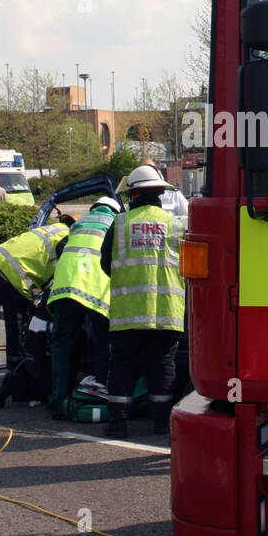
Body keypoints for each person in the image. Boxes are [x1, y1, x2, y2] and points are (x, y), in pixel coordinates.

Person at [100, 164, 186, 437]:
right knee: (162, 367)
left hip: (128, 314)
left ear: (133, 194)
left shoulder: (121, 223)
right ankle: (160, 423)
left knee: (123, 367)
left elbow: (105, 263)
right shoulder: (176, 225)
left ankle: (118, 424)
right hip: (166, 313)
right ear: (160, 193)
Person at [0, 218, 73, 378]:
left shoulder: (51, 230)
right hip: (13, 275)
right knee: (17, 323)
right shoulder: (66, 238)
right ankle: (16, 368)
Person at [47, 191, 121, 416]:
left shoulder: (79, 223)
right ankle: (98, 392)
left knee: (61, 344)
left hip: (65, 287)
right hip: (95, 289)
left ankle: (58, 397)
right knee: (103, 343)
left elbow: (62, 250)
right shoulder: (115, 223)